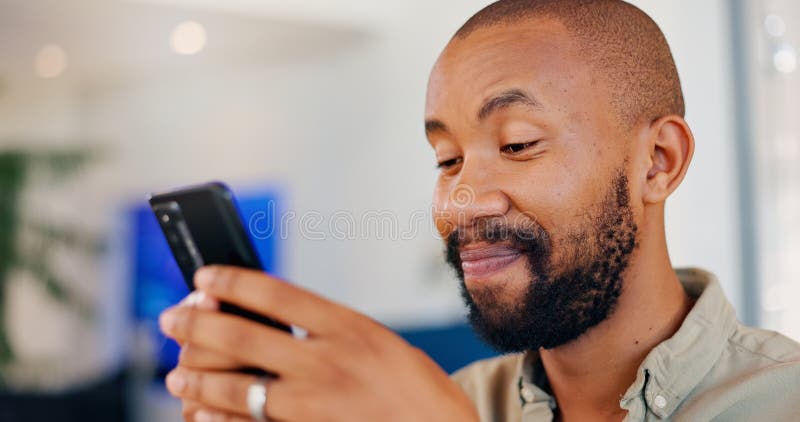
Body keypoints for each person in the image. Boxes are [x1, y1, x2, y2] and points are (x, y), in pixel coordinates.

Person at [158, 0, 800, 420]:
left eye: (517, 144)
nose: (461, 202)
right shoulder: (456, 401)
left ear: (656, 162)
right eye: (446, 159)